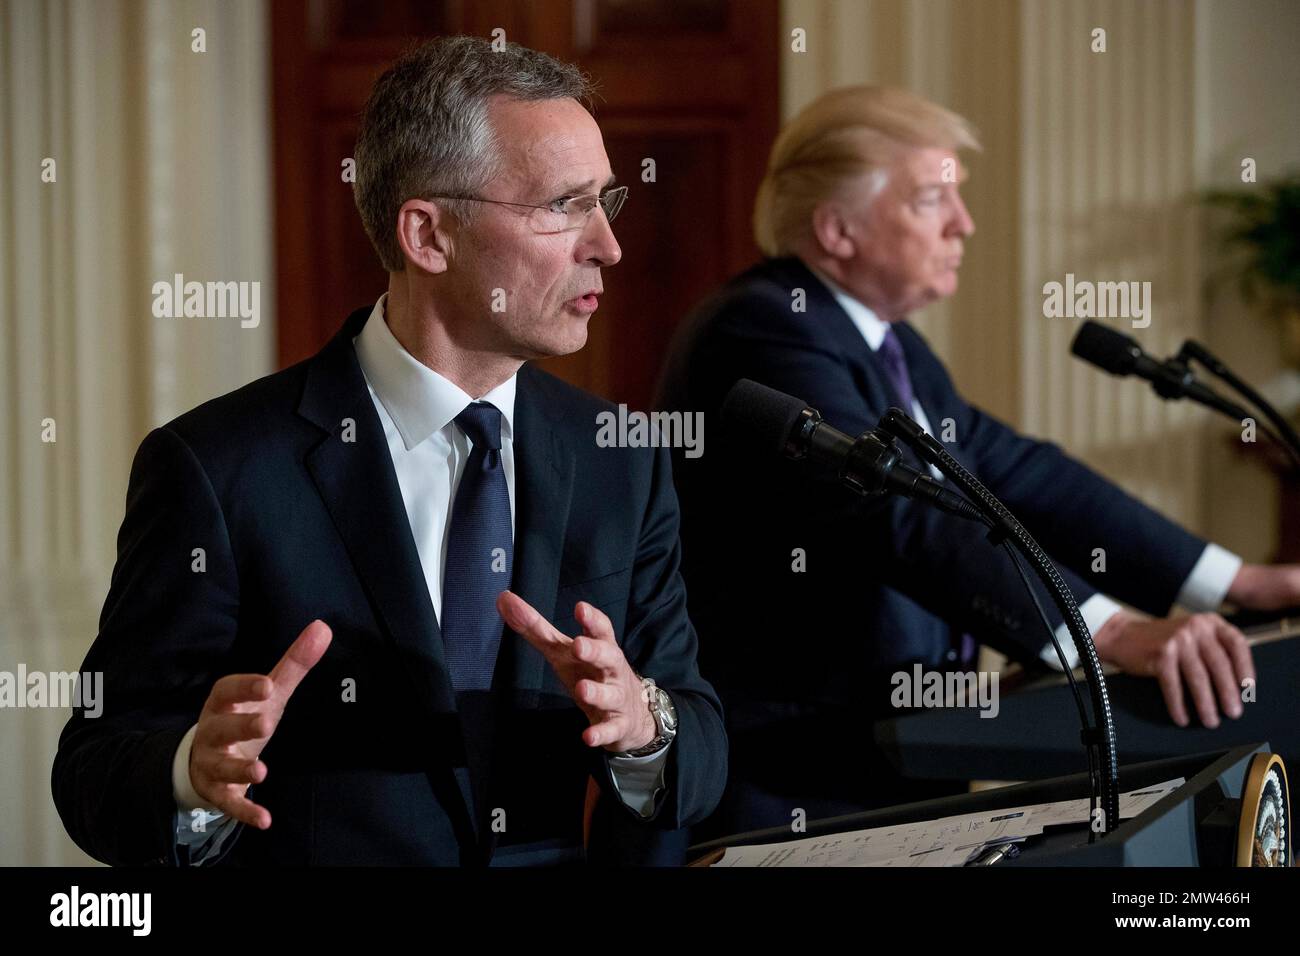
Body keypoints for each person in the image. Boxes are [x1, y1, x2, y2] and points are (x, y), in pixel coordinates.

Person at [52, 36, 725, 866]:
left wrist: (641, 726)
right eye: (562, 205)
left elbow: (700, 745)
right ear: (428, 235)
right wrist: (193, 772)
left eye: (605, 202)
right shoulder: (218, 468)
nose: (607, 246)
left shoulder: (622, 458)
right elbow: (93, 769)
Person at [655, 85, 1296, 838]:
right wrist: (1112, 633)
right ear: (837, 229)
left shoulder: (886, 344)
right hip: (788, 775)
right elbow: (894, 510)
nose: (965, 224)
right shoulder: (765, 330)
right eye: (933, 200)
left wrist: (1237, 580)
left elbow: (1021, 473)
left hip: (888, 756)